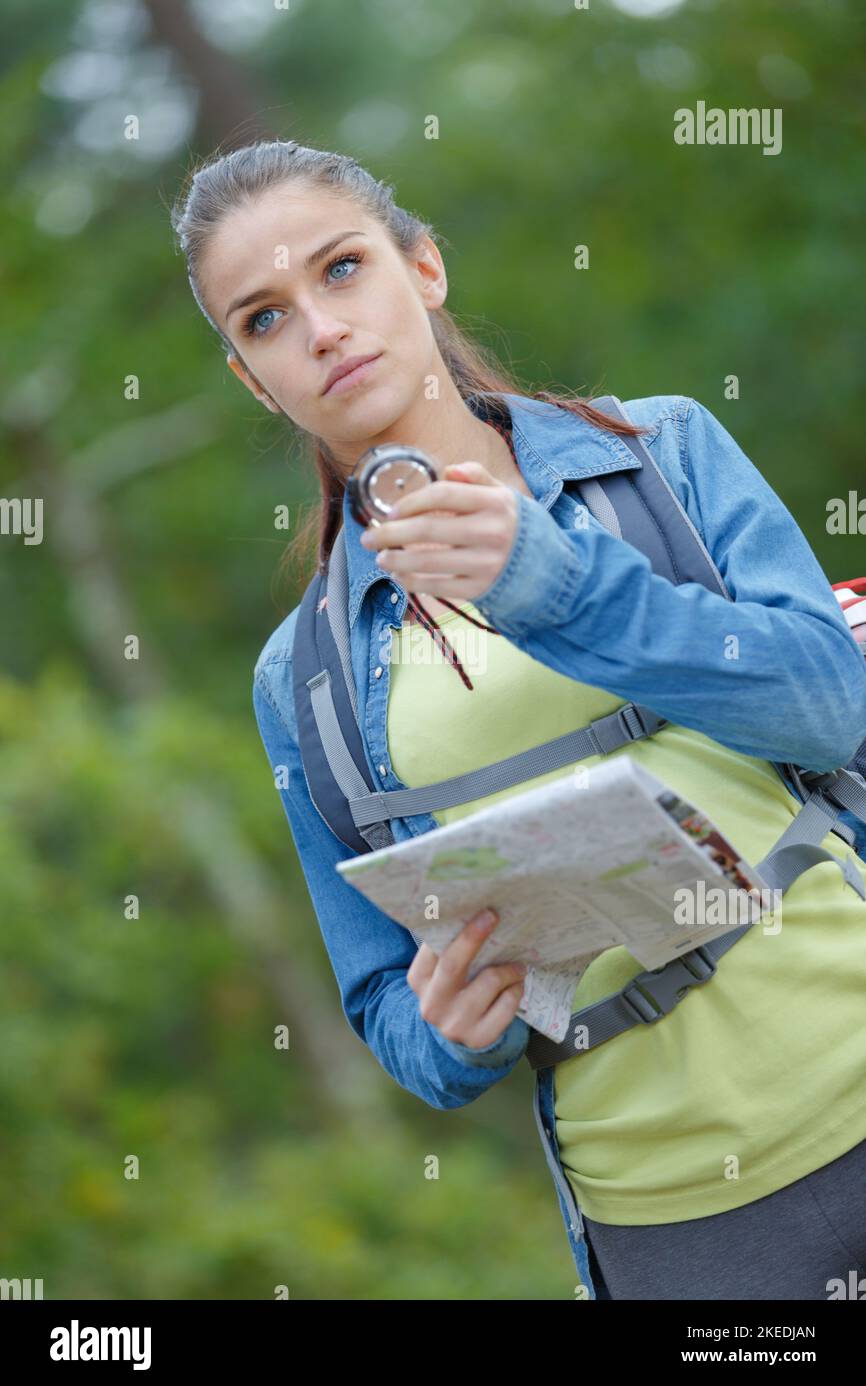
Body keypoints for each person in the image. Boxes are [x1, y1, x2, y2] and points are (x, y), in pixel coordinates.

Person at [171, 138, 866, 1300]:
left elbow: (825, 706)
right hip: (681, 1228)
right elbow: (382, 1006)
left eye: (341, 270)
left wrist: (554, 584)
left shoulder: (663, 455)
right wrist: (453, 1036)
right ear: (252, 376)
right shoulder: (303, 678)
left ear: (423, 267)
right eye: (263, 319)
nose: (320, 329)